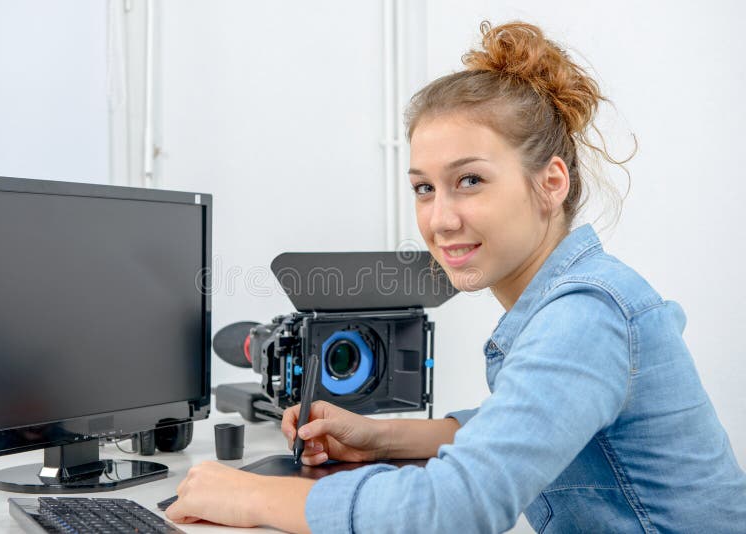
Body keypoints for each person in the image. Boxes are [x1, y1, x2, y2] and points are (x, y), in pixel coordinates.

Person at [166, 21, 746, 533]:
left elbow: (456, 509)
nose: (440, 220)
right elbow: (522, 423)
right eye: (424, 187)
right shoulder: (578, 298)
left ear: (552, 183)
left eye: (469, 180)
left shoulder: (587, 313)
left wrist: (253, 495)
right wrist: (382, 438)